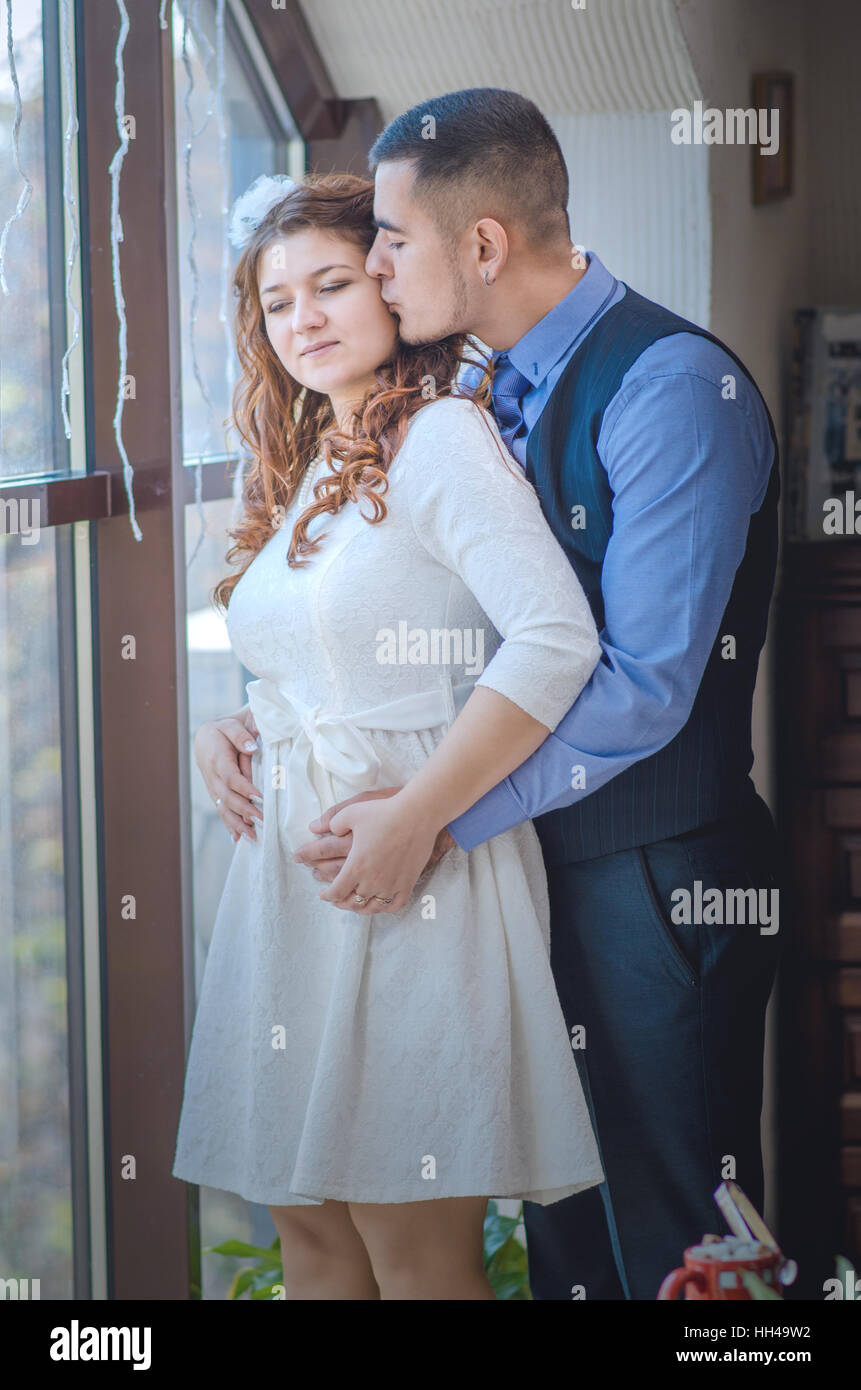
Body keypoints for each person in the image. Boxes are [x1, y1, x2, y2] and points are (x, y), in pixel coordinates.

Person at [203, 88, 785, 1301]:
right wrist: (273, 724)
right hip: (515, 859)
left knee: (682, 1240)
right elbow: (424, 633)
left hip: (653, 873)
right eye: (290, 291)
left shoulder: (669, 385)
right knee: (573, 1246)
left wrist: (431, 812)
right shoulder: (489, 395)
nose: (370, 273)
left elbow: (638, 680)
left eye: (384, 251)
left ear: (479, 246)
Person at [172, 170, 606, 1301]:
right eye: (277, 302)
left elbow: (554, 640)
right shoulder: (314, 458)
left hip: (418, 878)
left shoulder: (444, 438)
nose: (303, 318)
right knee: (311, 1238)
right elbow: (332, 651)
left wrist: (420, 817)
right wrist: (233, 730)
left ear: (388, 282)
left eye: (330, 284)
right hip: (291, 890)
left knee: (414, 1256)